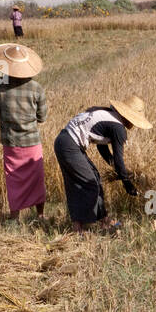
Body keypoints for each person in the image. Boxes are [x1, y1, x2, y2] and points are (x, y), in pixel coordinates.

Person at [54, 96, 150, 235]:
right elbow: (118, 158)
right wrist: (127, 182)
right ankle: (80, 228)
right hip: (69, 145)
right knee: (90, 183)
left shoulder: (110, 116)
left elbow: (102, 147)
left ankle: (103, 220)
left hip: (65, 142)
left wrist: (117, 170)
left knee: (95, 178)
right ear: (129, 117)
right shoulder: (118, 128)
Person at [0, 43, 48, 223]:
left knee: (13, 178)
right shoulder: (36, 88)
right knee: (37, 177)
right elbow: (42, 116)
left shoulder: (0, 84)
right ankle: (40, 215)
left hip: (11, 141)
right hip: (32, 141)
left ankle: (14, 216)